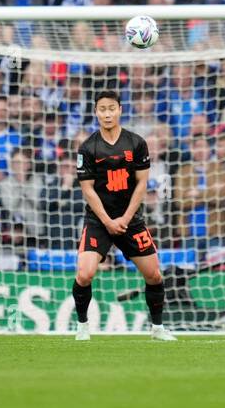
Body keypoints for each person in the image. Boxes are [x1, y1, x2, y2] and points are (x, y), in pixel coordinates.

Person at [72, 90, 173, 341]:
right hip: (99, 220)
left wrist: (125, 219)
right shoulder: (88, 148)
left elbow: (142, 184)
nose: (107, 114)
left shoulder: (137, 143)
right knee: (84, 274)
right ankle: (83, 326)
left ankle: (158, 329)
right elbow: (87, 190)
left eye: (111, 108)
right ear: (96, 112)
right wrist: (108, 221)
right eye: (102, 109)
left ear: (120, 110)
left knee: (154, 274)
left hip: (131, 220)